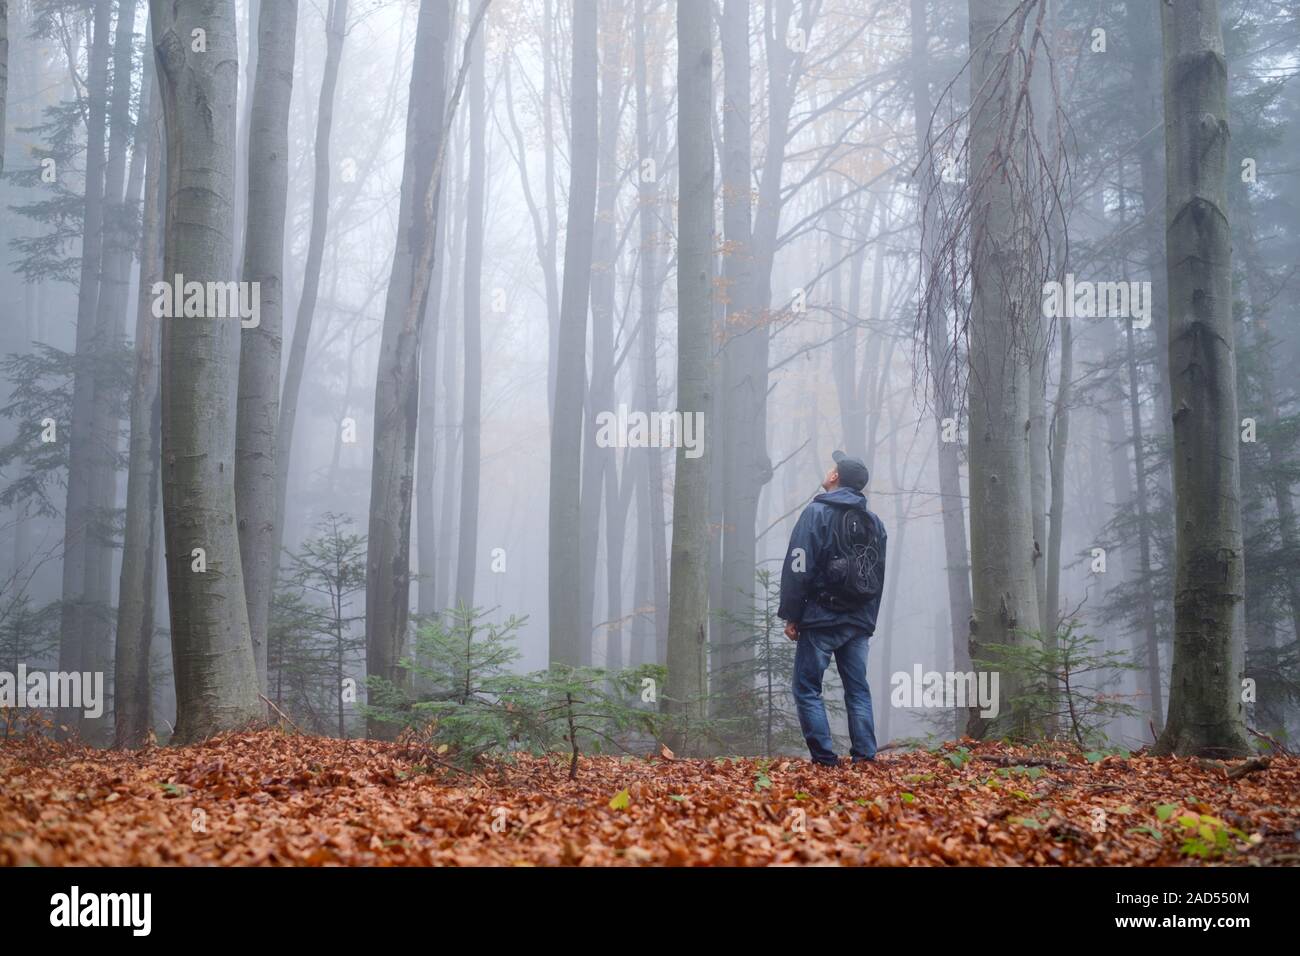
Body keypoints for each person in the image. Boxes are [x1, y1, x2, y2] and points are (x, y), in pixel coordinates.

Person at [778, 450, 887, 766]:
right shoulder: (874, 523)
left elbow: (799, 564)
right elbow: (877, 576)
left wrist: (792, 614)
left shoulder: (816, 513)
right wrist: (867, 622)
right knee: (857, 689)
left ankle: (825, 761)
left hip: (821, 619)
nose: (828, 470)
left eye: (832, 467)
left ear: (835, 477)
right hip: (858, 621)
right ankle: (865, 758)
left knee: (807, 688)